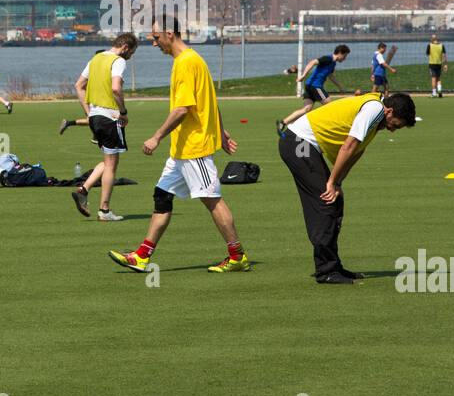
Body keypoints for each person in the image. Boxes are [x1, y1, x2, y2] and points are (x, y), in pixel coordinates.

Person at [109, 18, 248, 274]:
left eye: (156, 37)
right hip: (181, 150)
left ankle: (237, 255)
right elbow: (208, 100)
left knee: (211, 200)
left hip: (194, 148)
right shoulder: (192, 59)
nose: (153, 43)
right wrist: (221, 130)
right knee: (162, 196)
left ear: (169, 34)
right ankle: (142, 256)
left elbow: (183, 109)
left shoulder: (185, 63)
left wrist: (156, 137)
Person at [279, 91, 416, 283]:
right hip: (297, 142)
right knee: (324, 203)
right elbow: (348, 146)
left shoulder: (377, 119)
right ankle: (325, 271)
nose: (392, 130)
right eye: (394, 125)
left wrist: (338, 183)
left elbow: (356, 153)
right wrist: (331, 182)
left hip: (303, 145)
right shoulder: (375, 109)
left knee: (335, 201)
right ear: (389, 111)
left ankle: (334, 266)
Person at [70, 33, 138, 221]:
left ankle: (84, 190)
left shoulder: (96, 59)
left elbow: (78, 85)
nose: (130, 57)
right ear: (125, 47)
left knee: (108, 161)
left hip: (95, 117)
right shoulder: (118, 61)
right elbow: (116, 88)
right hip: (110, 117)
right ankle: (105, 210)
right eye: (131, 53)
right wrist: (123, 111)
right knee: (111, 165)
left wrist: (88, 112)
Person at [277, 44, 350, 136]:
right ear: (340, 53)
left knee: (306, 109)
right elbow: (312, 62)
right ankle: (332, 128)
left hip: (309, 85)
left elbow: (330, 76)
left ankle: (283, 122)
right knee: (330, 106)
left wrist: (340, 87)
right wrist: (303, 75)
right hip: (315, 86)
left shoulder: (333, 63)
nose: (345, 58)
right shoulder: (328, 59)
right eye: (345, 56)